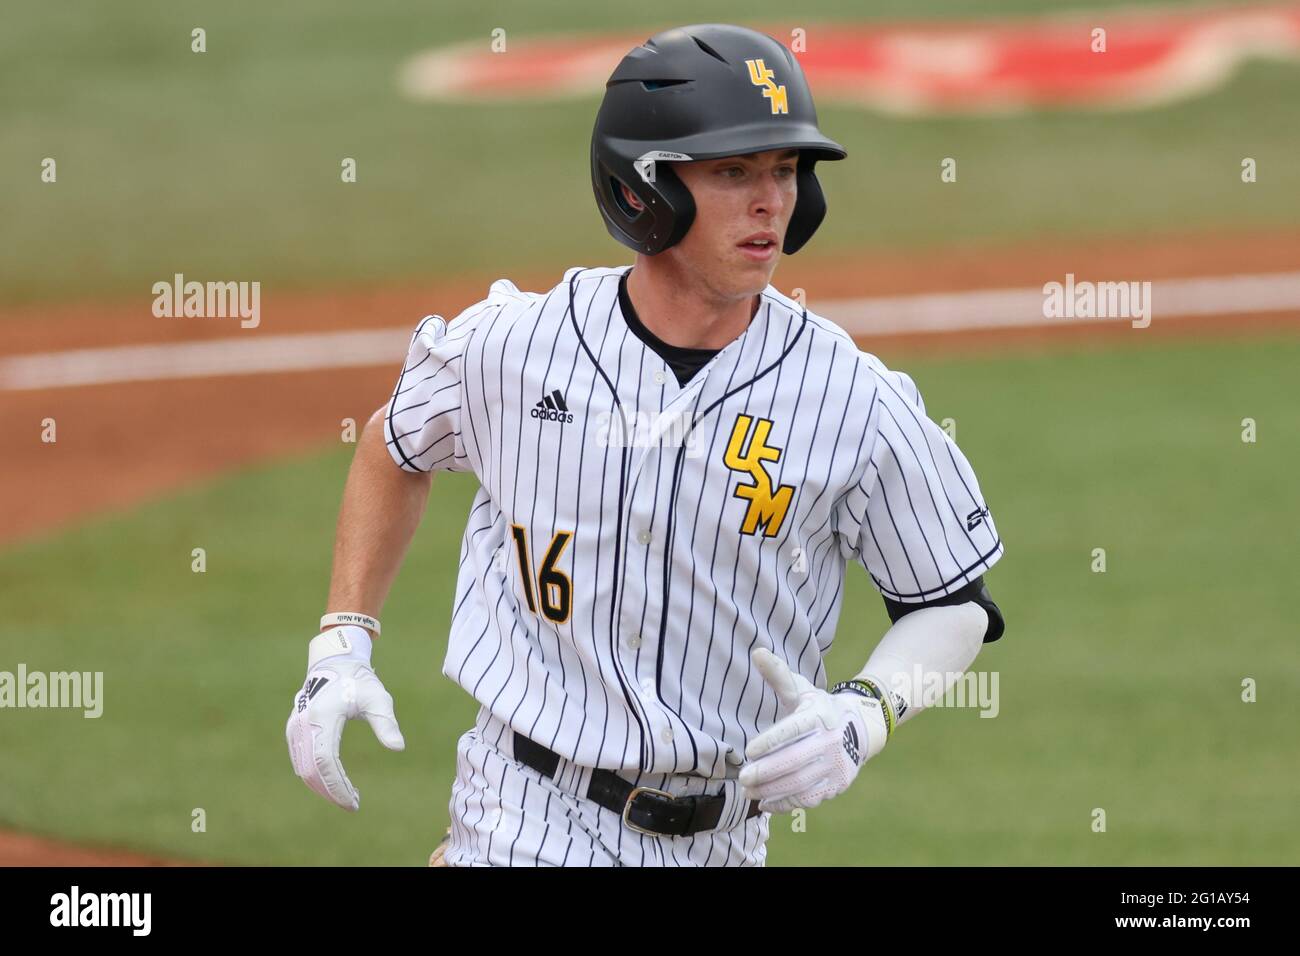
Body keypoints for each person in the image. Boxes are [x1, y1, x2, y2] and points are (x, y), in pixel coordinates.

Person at [286, 23, 1005, 867]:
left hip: (727, 839)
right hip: (521, 816)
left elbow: (952, 603)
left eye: (783, 172)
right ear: (643, 189)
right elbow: (394, 445)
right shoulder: (513, 348)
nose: (770, 201)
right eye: (733, 172)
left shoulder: (852, 397)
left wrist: (866, 713)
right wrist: (342, 639)